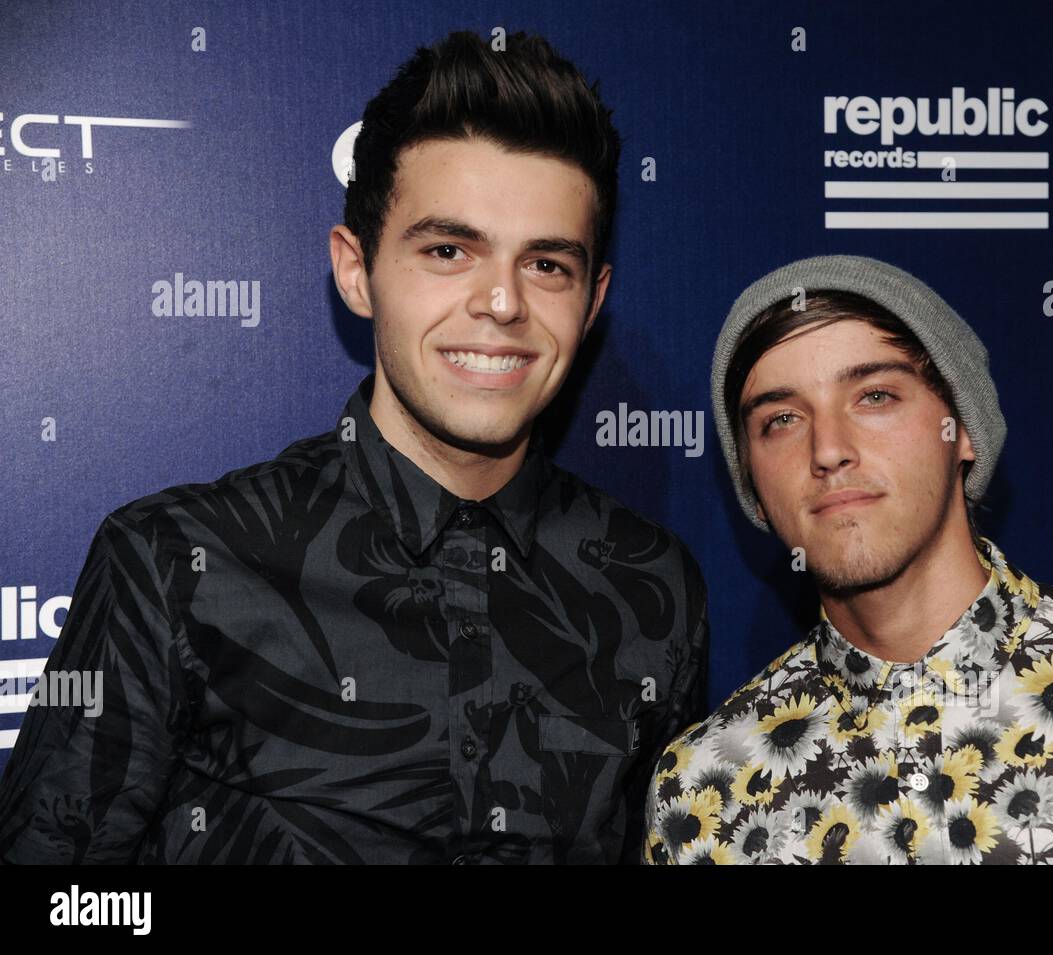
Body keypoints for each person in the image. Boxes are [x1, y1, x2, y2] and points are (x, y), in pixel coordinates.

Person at [0, 30, 708, 865]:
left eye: (548, 264)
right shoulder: (173, 563)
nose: (502, 302)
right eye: (449, 250)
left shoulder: (650, 582)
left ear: (592, 303)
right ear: (356, 270)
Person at [643, 254, 1053, 864]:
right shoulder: (704, 785)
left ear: (963, 431)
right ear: (753, 486)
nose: (829, 449)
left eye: (875, 395)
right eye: (781, 418)